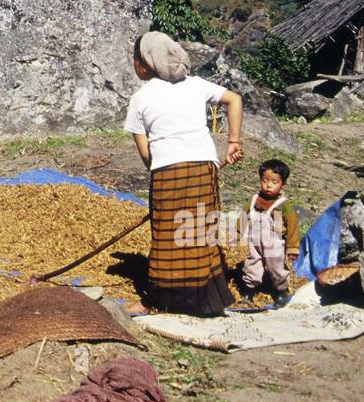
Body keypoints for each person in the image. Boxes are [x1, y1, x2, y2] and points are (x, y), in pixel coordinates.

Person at [123, 31, 244, 316]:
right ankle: (207, 298)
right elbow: (234, 99)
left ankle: (159, 302)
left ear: (145, 64)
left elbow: (145, 155)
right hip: (204, 166)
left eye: (135, 59)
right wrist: (233, 142)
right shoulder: (196, 85)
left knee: (166, 237)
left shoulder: (140, 99)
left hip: (167, 171)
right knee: (198, 231)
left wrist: (167, 163)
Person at [241, 159, 299, 298]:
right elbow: (243, 216)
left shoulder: (283, 205)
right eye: (265, 181)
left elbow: (292, 226)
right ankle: (249, 290)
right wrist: (237, 232)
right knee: (251, 264)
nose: (268, 186)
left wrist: (293, 247)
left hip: (274, 244)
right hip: (254, 242)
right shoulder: (254, 199)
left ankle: (281, 291)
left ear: (283, 184)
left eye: (274, 182)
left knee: (276, 268)